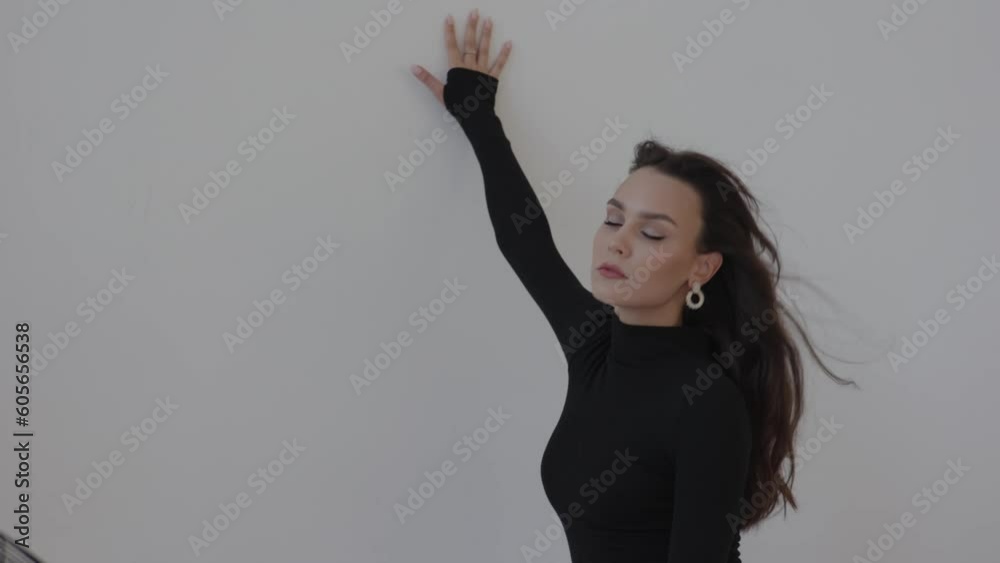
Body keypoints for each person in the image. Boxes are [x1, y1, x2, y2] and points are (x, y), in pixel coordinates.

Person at [411, 9, 856, 563]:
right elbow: (526, 245)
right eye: (613, 219)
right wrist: (477, 115)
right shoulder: (597, 347)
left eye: (651, 233)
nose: (617, 243)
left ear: (702, 268)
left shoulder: (705, 405)